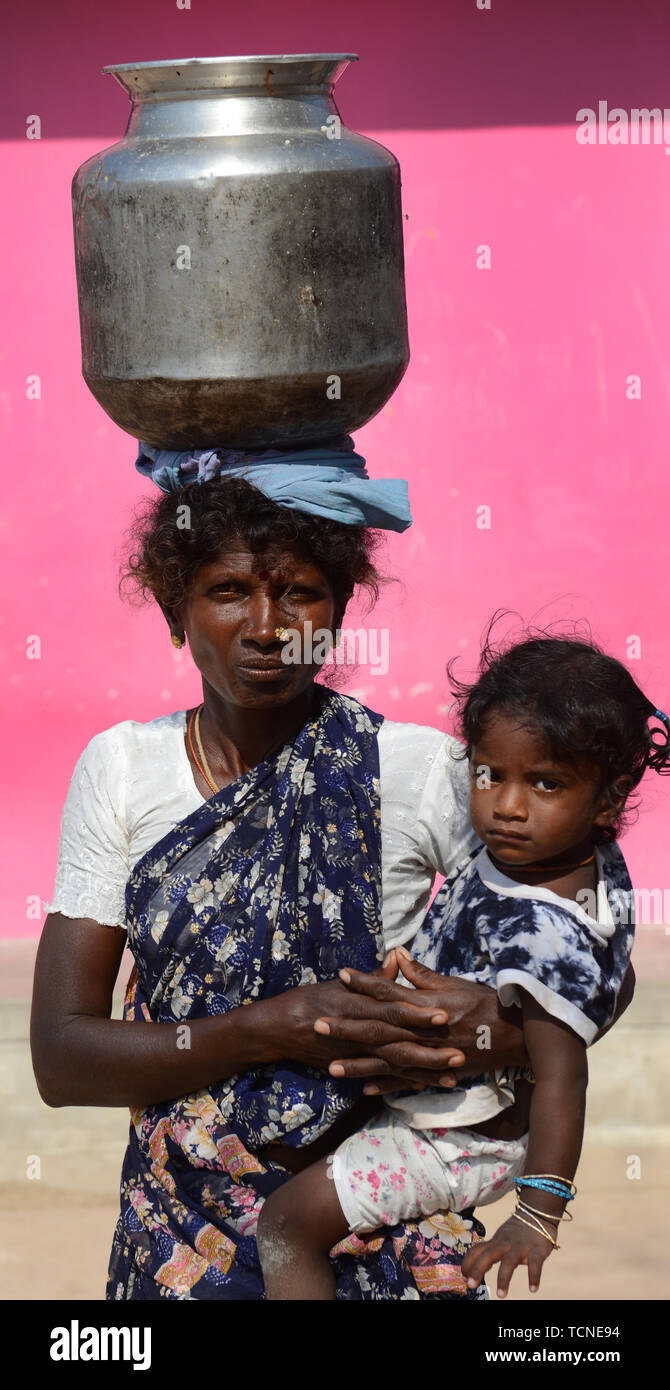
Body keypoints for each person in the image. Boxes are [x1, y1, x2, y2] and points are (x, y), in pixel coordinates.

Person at [31, 441, 547, 1301]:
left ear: (339, 609)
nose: (268, 626)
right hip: (182, 1233)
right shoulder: (122, 770)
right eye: (229, 591)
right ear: (175, 609)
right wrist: (270, 1029)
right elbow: (63, 1056)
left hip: (382, 1213)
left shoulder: (417, 773)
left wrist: (495, 1019)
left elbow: (574, 970)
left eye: (299, 592)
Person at [256, 627, 666, 1300]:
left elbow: (564, 1078)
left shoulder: (544, 931)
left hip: (459, 1138)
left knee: (287, 1221)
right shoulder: (570, 855)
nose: (506, 806)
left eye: (545, 783)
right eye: (490, 774)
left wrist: (536, 1217)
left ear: (611, 799)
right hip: (446, 1109)